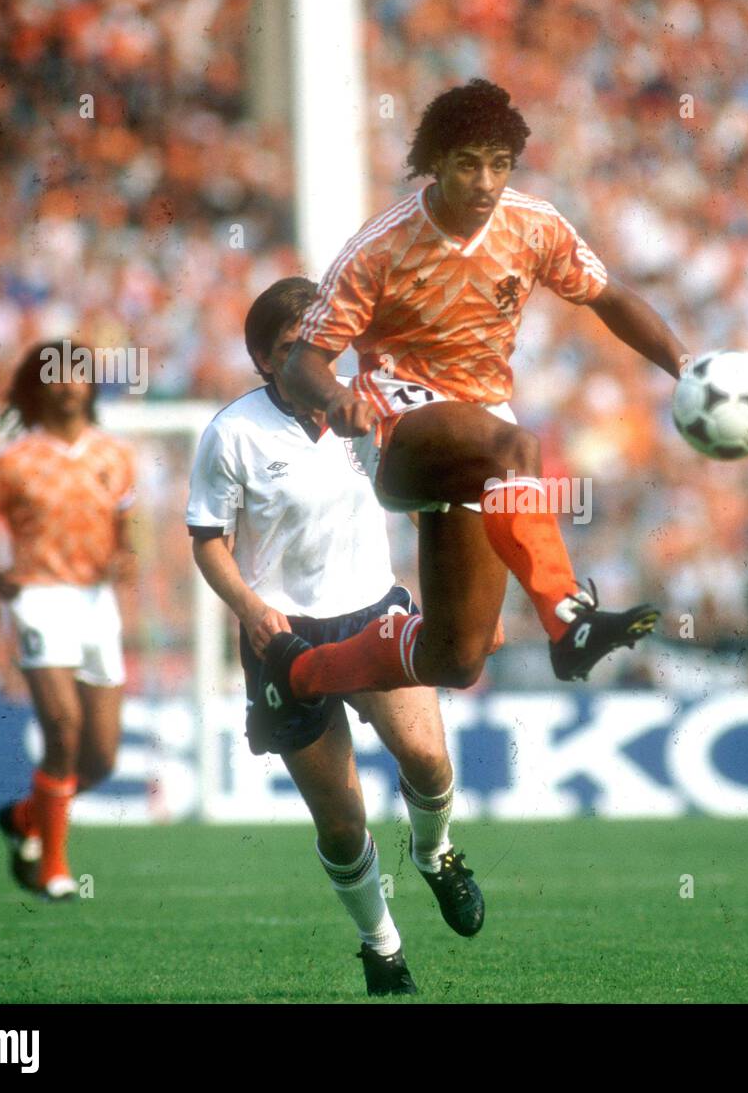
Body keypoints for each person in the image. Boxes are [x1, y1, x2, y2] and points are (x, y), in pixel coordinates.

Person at [257, 78, 695, 734]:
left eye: (499, 163)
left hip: (481, 434)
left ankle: (293, 679)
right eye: (468, 164)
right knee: (515, 448)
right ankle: (566, 616)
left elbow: (610, 297)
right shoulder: (380, 246)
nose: (486, 181)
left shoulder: (534, 225)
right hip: (399, 425)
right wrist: (339, 396)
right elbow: (302, 360)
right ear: (436, 164)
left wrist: (685, 368)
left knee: (456, 656)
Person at [187, 277, 490, 997]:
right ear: (264, 360)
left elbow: (425, 501)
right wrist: (251, 608)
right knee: (343, 819)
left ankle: (437, 852)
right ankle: (382, 947)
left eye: (316, 344)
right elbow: (206, 541)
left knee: (427, 758)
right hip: (286, 638)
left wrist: (466, 586)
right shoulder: (233, 433)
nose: (307, 360)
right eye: (290, 349)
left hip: (375, 611)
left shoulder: (373, 403)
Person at [0, 341, 136, 900]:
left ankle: (25, 818)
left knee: (99, 760)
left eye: (78, 373)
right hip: (38, 598)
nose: (68, 384)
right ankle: (54, 867)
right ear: (37, 387)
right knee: (61, 724)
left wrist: (124, 558)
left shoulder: (114, 456)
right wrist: (1, 581)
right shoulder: (13, 461)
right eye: (55, 375)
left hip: (94, 604)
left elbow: (127, 536)